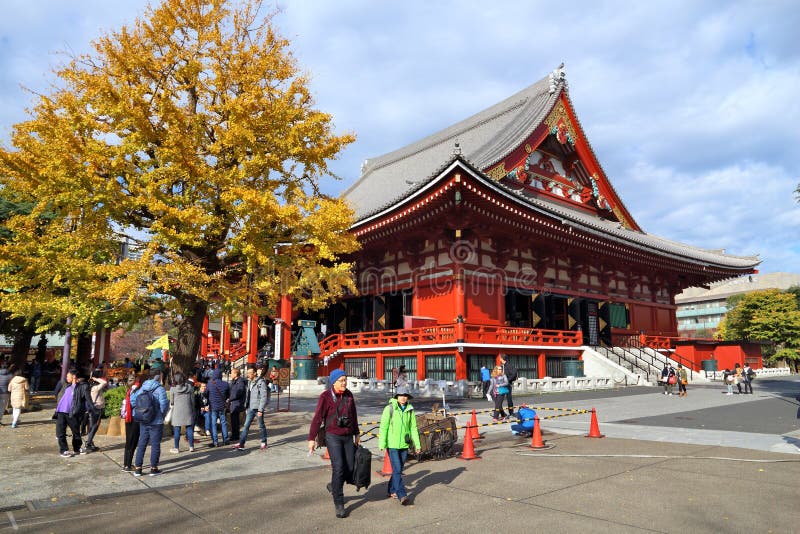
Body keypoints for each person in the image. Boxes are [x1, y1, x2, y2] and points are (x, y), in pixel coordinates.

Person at [307, 369, 360, 519]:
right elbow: (317, 418)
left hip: (348, 435)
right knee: (339, 467)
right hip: (333, 436)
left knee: (349, 467)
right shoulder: (325, 397)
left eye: (345, 380)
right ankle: (339, 502)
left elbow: (354, 416)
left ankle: (333, 486)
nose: (344, 383)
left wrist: (357, 433)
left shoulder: (349, 395)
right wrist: (311, 438)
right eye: (341, 380)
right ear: (334, 382)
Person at [378, 385, 421, 506]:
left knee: (399, 469)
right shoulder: (389, 408)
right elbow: (384, 426)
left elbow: (413, 428)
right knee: (397, 469)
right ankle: (402, 494)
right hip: (392, 445)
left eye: (405, 396)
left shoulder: (410, 410)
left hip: (404, 445)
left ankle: (391, 490)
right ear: (397, 396)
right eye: (401, 395)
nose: (403, 398)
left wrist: (417, 444)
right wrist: (382, 443)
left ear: (408, 397)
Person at [130, 368, 169, 476]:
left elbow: (133, 401)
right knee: (155, 444)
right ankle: (153, 468)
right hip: (156, 421)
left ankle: (138, 468)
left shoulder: (143, 387)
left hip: (143, 420)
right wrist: (161, 415)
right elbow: (164, 405)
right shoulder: (160, 389)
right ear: (158, 376)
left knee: (142, 443)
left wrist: (141, 412)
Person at [234, 366, 268, 451]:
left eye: (250, 373)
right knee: (246, 426)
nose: (248, 374)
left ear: (255, 373)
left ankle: (264, 442)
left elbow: (264, 396)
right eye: (247, 373)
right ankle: (242, 443)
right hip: (250, 408)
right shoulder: (249, 382)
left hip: (258, 408)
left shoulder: (261, 382)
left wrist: (261, 409)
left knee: (261, 426)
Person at [55, 369, 81, 457]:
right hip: (61, 411)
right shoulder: (67, 386)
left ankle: (77, 448)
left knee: (76, 431)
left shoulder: (80, 387)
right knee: (60, 432)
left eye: (68, 376)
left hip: (71, 413)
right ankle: (64, 450)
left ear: (73, 376)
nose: (66, 378)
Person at [169, 372, 196, 453]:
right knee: (189, 428)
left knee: (177, 429)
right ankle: (191, 447)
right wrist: (192, 408)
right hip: (188, 409)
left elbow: (172, 401)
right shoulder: (190, 387)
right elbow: (192, 400)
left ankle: (176, 448)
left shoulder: (173, 389)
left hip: (177, 411)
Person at [84, 370, 108, 452]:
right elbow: (104, 382)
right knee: (95, 426)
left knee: (92, 426)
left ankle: (90, 443)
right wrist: (96, 378)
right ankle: (88, 443)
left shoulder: (89, 386)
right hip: (97, 408)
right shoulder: (96, 388)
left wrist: (93, 378)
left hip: (92, 408)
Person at [72, 372, 96, 455]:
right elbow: (88, 399)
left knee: (75, 429)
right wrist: (93, 408)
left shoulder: (75, 385)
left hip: (72, 409)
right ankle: (77, 448)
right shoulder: (85, 386)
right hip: (79, 409)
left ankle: (76, 448)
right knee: (77, 430)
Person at [120, 379, 141, 471]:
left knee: (128, 442)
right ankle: (128, 465)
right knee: (132, 442)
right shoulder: (135, 392)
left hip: (128, 418)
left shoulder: (129, 391)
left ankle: (126, 464)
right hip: (134, 419)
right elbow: (133, 403)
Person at [207, 368, 230, 447]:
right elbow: (228, 395)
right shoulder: (226, 384)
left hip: (213, 406)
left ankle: (215, 442)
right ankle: (226, 440)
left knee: (213, 424)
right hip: (222, 406)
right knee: (223, 423)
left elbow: (206, 393)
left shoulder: (210, 383)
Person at [228, 368, 246, 444]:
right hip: (234, 403)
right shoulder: (234, 381)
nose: (230, 374)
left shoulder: (240, 382)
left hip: (237, 403)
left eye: (232, 373)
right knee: (233, 420)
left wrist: (230, 399)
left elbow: (238, 393)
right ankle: (235, 435)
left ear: (236, 374)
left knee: (235, 421)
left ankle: (235, 435)